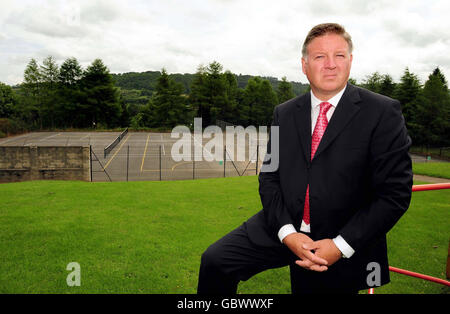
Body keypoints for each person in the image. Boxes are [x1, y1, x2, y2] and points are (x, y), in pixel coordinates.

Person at [197, 23, 413, 294]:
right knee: (216, 262)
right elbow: (270, 176)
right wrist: (287, 232)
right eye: (320, 56)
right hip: (283, 224)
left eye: (339, 55)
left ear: (350, 61)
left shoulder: (382, 112)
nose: (331, 64)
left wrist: (340, 245)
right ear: (304, 65)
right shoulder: (284, 113)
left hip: (339, 237)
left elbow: (394, 194)